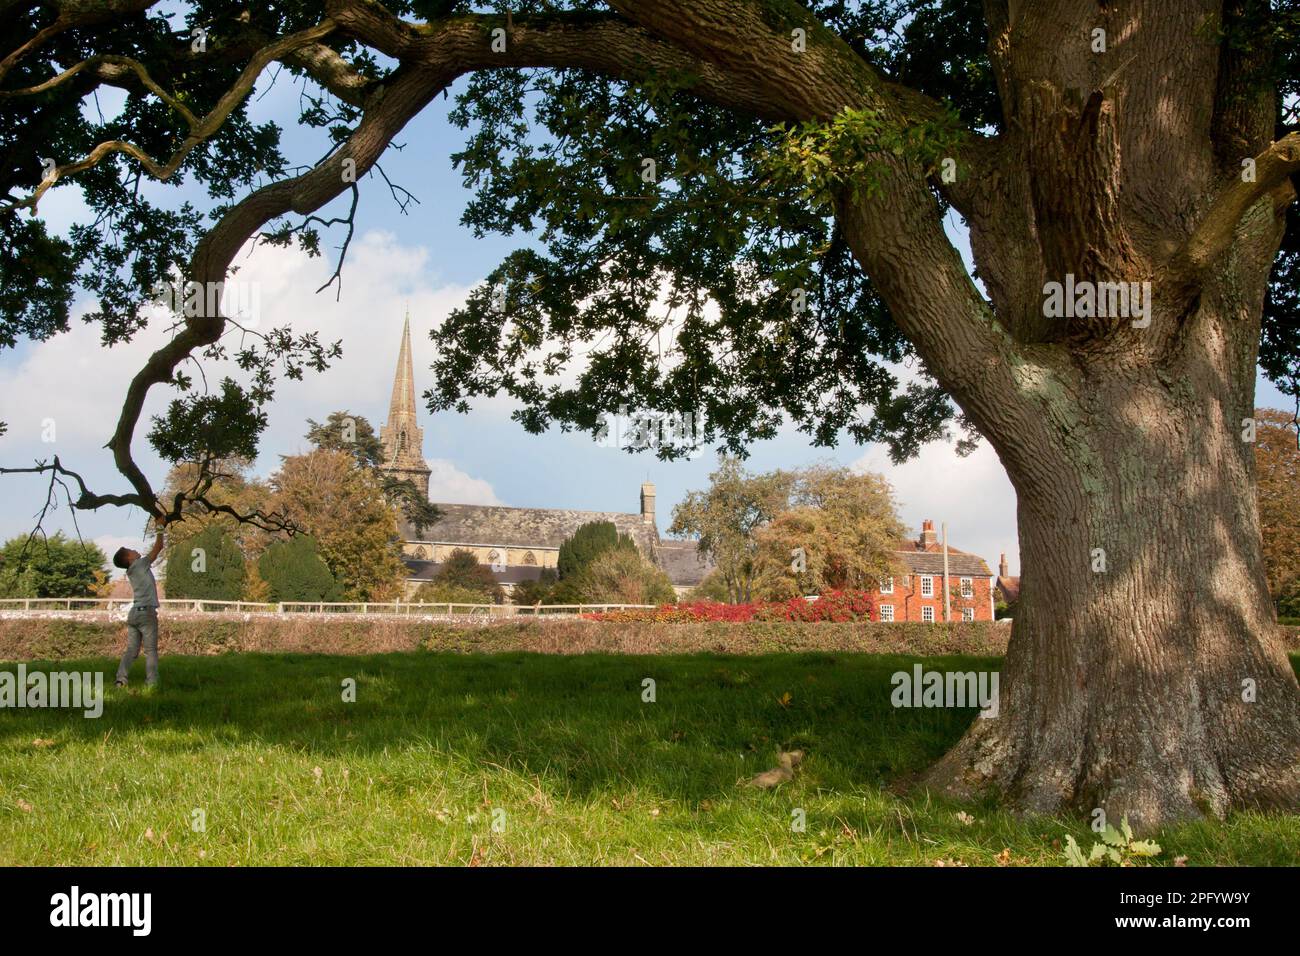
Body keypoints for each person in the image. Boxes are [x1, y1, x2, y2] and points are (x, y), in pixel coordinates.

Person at [112, 521, 167, 689]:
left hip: (134, 613)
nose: (135, 550)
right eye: (131, 550)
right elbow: (159, 547)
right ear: (129, 558)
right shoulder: (140, 564)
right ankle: (151, 682)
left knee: (131, 650)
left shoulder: (132, 571)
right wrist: (160, 526)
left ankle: (121, 680)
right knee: (150, 650)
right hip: (146, 613)